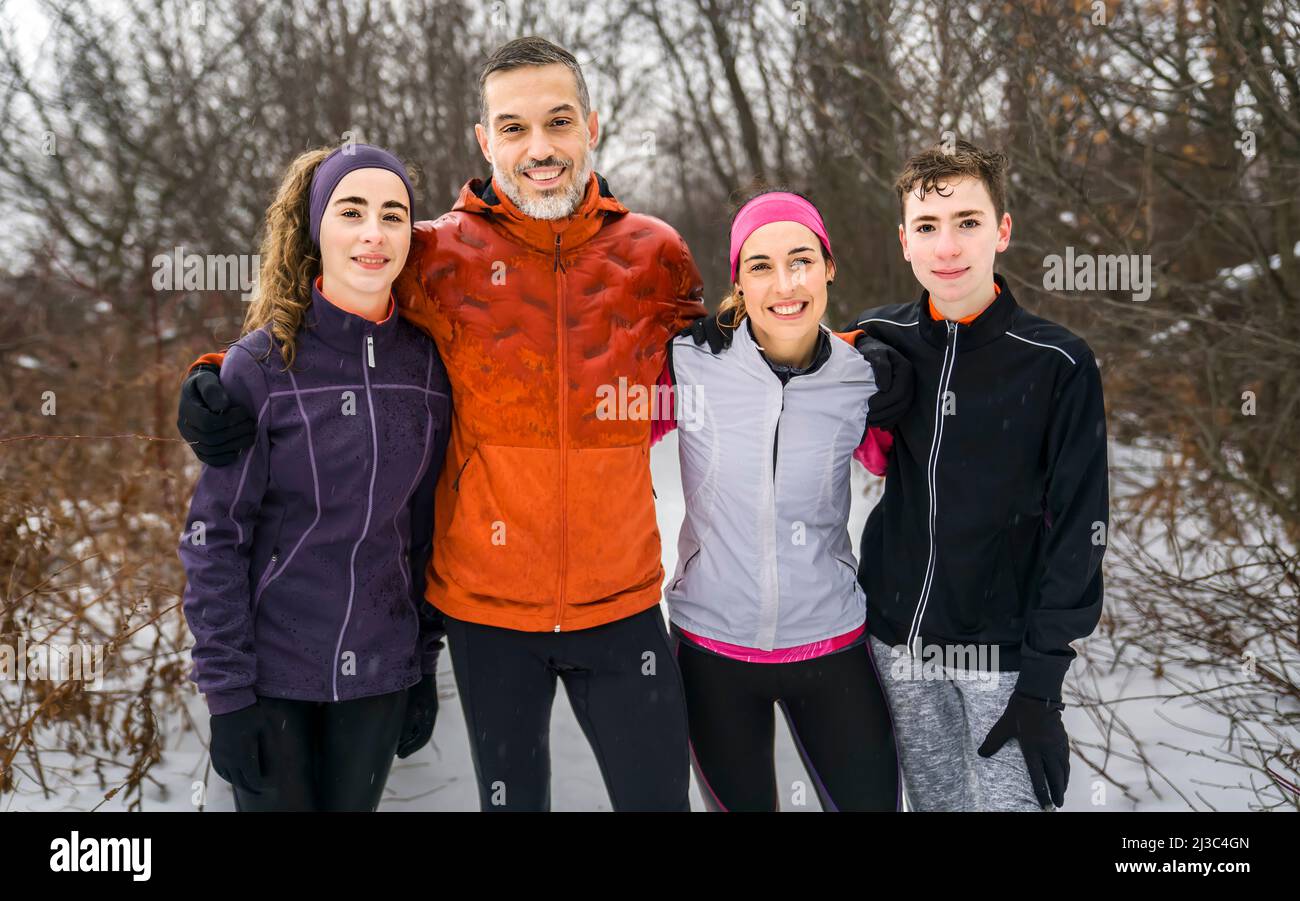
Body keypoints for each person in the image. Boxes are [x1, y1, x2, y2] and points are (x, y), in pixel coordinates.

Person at [176, 38, 704, 811]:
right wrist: (213, 373)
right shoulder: (434, 254)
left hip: (620, 602)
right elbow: (337, 320)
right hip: (487, 613)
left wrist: (864, 350)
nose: (540, 148)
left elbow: (725, 358)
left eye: (558, 122)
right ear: (486, 141)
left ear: (592, 124)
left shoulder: (655, 256)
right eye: (513, 128)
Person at [177, 143, 452, 811]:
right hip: (273, 677)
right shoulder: (261, 366)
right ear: (315, 228)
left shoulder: (427, 369)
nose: (372, 233)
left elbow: (422, 532)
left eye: (393, 216)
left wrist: (421, 660)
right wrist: (230, 695)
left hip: (380, 676)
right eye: (351, 211)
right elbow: (214, 540)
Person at [845, 140, 1110, 811]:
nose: (948, 246)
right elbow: (784, 342)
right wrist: (867, 353)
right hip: (897, 645)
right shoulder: (882, 335)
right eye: (928, 227)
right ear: (905, 241)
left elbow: (1081, 531)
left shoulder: (1058, 363)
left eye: (968, 221)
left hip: (1003, 656)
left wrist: (1043, 682)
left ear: (1003, 230)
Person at [661, 190, 902, 811]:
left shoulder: (862, 376)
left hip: (833, 643)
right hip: (711, 647)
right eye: (760, 266)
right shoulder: (689, 364)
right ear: (738, 282)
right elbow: (590, 423)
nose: (784, 282)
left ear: (829, 266)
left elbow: (924, 475)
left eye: (800, 260)